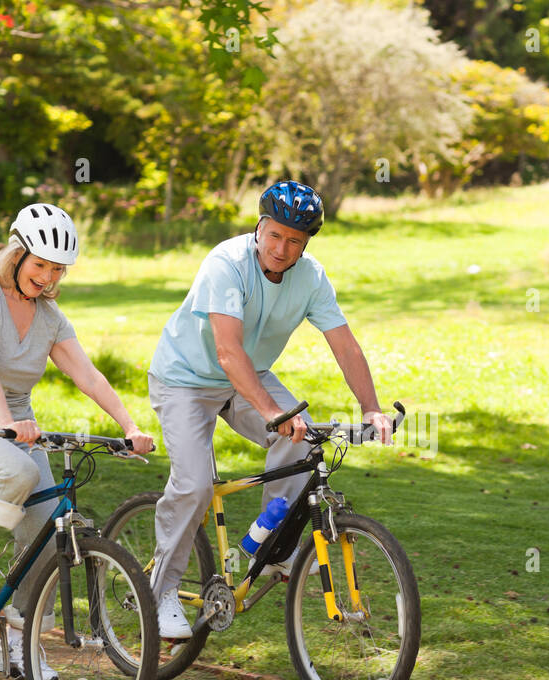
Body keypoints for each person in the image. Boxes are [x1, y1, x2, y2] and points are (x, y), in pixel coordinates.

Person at [147, 180, 393, 640]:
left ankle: (271, 549)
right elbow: (227, 352)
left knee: (303, 444)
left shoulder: (311, 277)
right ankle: (160, 590)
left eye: (294, 241)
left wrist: (371, 407)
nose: (281, 248)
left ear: (306, 244)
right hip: (185, 379)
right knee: (195, 484)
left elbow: (345, 344)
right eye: (275, 235)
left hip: (249, 375)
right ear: (260, 227)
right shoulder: (226, 263)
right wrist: (273, 412)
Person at [0, 202, 155, 680]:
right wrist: (7, 423)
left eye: (57, 269)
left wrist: (130, 427)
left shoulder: (50, 317)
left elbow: (89, 376)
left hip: (14, 426)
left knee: (48, 532)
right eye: (40, 264)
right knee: (20, 471)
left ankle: (18, 641)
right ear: (17, 253)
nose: (47, 277)